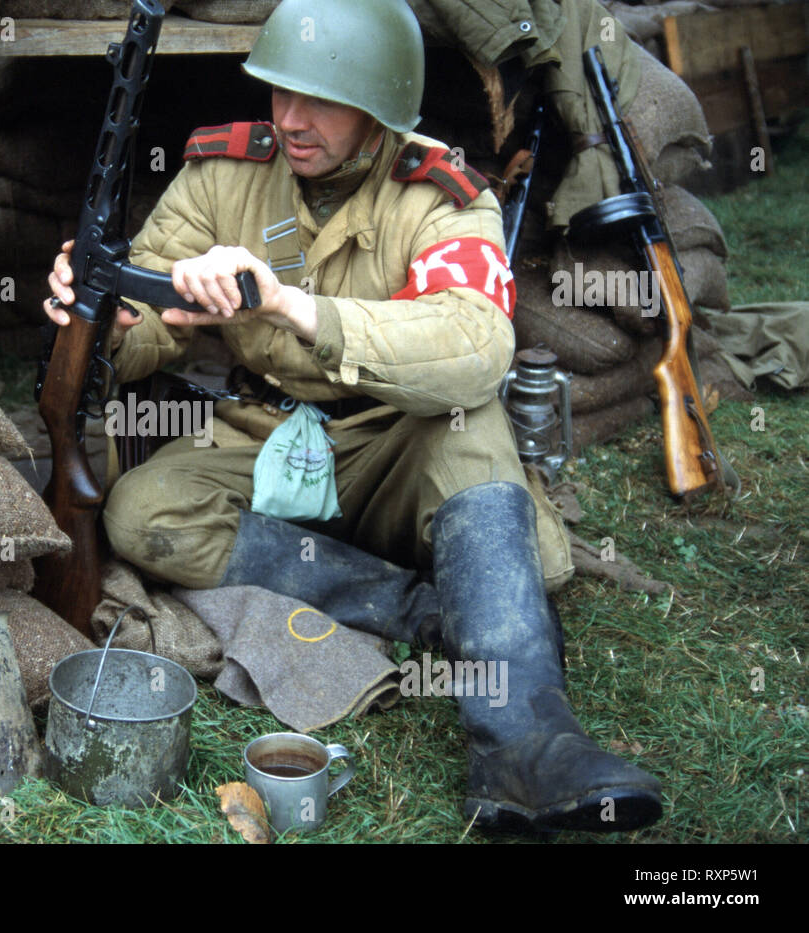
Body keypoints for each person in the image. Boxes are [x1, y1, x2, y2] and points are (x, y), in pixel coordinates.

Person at [43, 0, 662, 833]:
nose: (292, 120)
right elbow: (150, 325)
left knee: (479, 442)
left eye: (323, 101)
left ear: (381, 111)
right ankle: (427, 612)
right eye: (279, 94)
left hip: (401, 439)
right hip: (270, 434)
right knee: (144, 515)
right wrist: (106, 312)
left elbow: (477, 342)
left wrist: (300, 308)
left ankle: (524, 745)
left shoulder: (442, 194)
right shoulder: (222, 173)